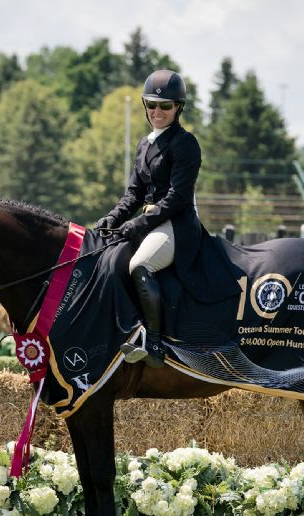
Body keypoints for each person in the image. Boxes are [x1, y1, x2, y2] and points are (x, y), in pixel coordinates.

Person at [95, 69, 203, 368]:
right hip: (150, 224)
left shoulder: (185, 144)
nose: (157, 112)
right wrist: (112, 218)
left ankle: (154, 343)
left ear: (178, 107)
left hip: (175, 225)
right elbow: (133, 194)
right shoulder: (145, 144)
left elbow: (176, 198)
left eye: (165, 106)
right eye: (152, 105)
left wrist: (137, 225)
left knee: (140, 265)